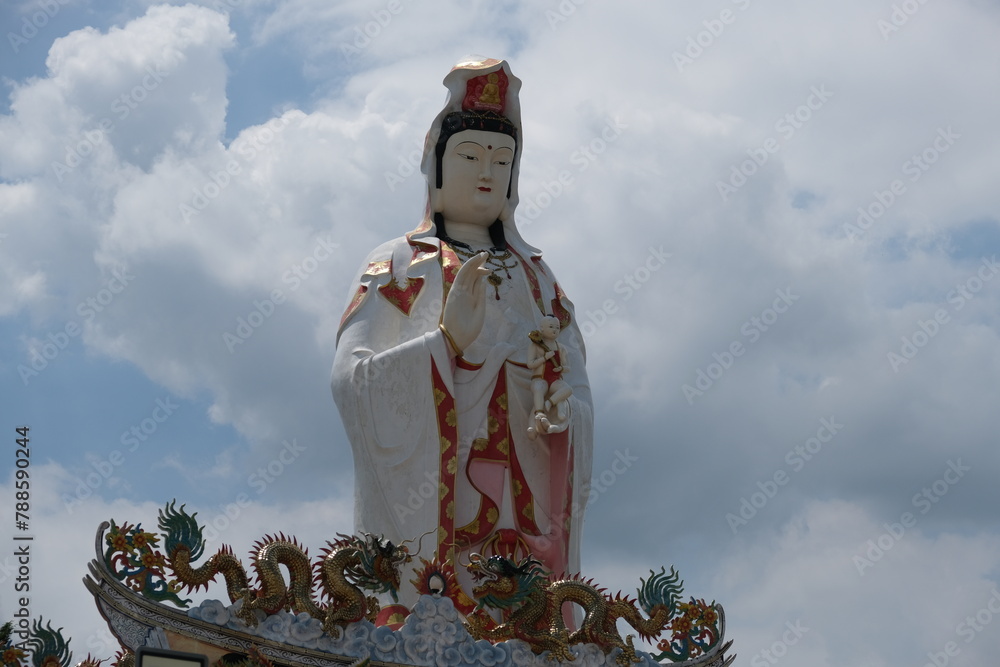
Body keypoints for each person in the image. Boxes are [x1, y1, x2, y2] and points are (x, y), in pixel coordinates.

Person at [331, 58, 593, 613]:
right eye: (470, 155)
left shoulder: (538, 278)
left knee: (523, 615)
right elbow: (351, 379)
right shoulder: (401, 264)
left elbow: (577, 384)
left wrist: (559, 403)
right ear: (437, 167)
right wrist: (443, 347)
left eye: (503, 160)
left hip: (523, 497)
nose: (487, 171)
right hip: (439, 498)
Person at [527, 315, 573, 438]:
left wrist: (561, 368)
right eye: (551, 327)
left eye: (557, 328)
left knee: (568, 389)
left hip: (555, 379)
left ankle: (550, 402)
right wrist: (544, 358)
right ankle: (538, 416)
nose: (554, 330)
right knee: (539, 390)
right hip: (539, 378)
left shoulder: (561, 348)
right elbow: (530, 364)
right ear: (542, 328)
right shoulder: (535, 345)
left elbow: (568, 366)